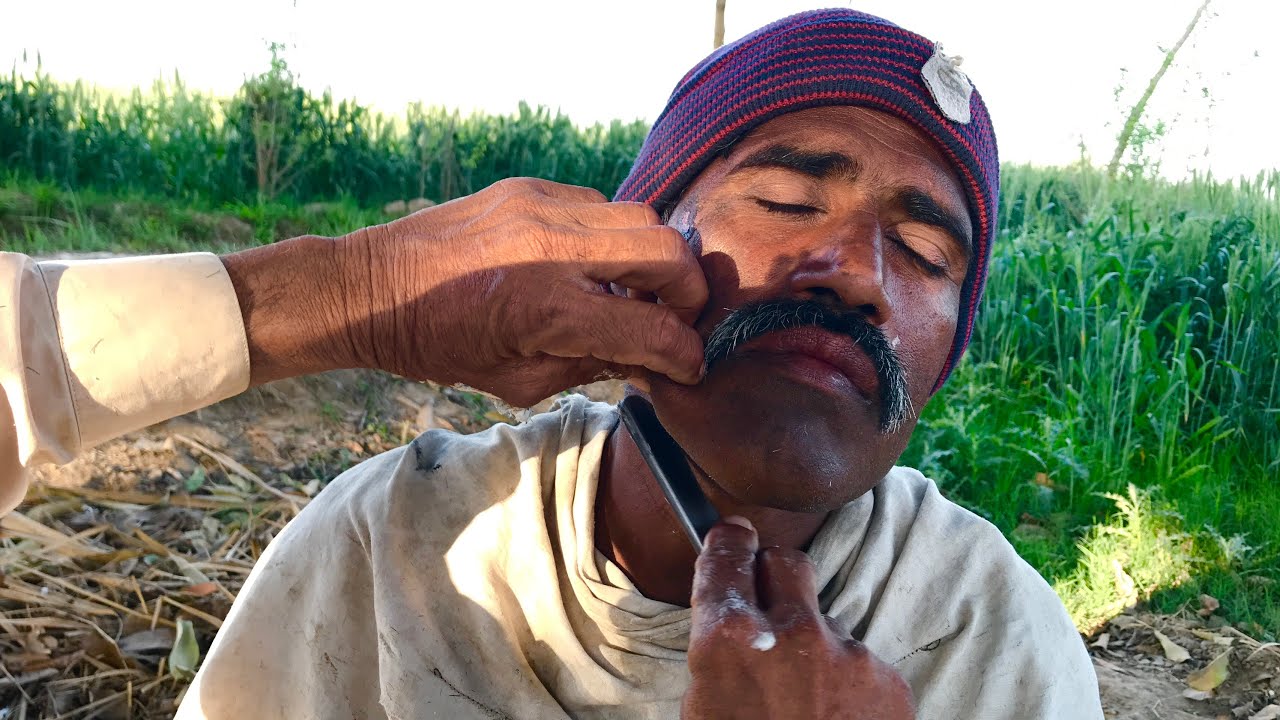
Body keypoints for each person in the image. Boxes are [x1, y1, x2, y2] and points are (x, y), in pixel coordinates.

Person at [1, 8, 1103, 719]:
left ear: (944, 361)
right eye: (783, 199)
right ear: (629, 254)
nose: (855, 271)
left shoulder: (990, 645)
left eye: (920, 253)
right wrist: (351, 292)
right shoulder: (400, 541)